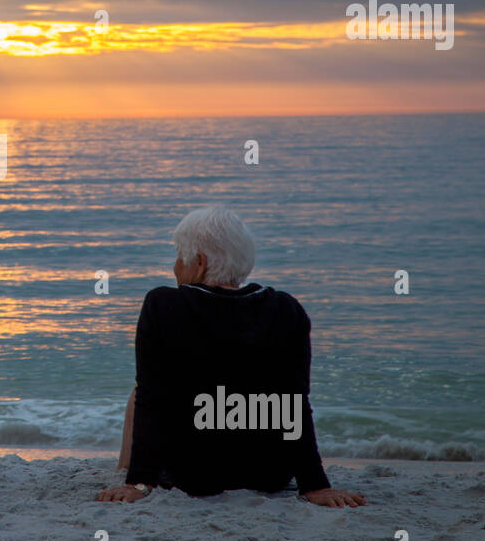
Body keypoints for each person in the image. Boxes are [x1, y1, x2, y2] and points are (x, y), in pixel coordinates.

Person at [98, 205, 366, 508]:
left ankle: (126, 473)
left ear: (199, 263)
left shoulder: (163, 305)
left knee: (140, 392)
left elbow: (152, 397)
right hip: (268, 475)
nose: (174, 267)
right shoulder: (286, 308)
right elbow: (293, 401)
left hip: (193, 475)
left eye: (178, 255)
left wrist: (140, 482)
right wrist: (315, 485)